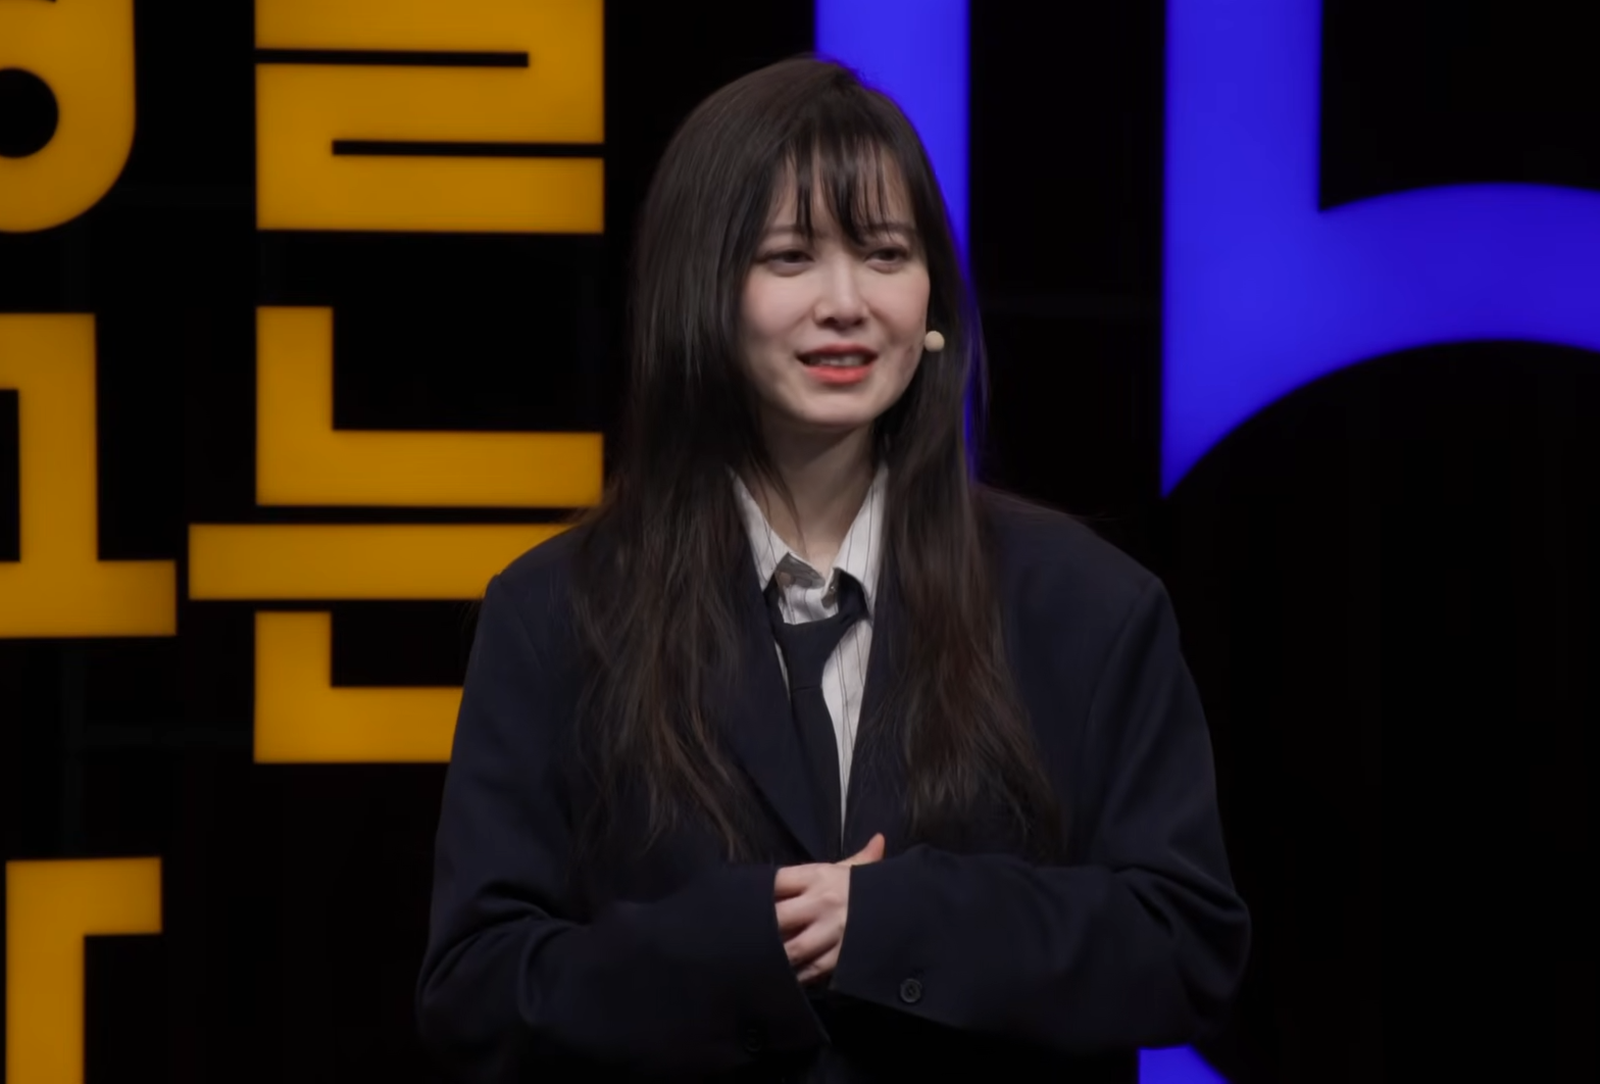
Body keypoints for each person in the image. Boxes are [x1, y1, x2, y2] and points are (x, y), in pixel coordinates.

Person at [415, 57, 1249, 1083]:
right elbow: (476, 987)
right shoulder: (558, 611)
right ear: (703, 293)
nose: (846, 302)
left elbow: (1182, 944)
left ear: (931, 298)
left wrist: (902, 923)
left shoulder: (1086, 605)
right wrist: (742, 947)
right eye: (791, 256)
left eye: (885, 253)